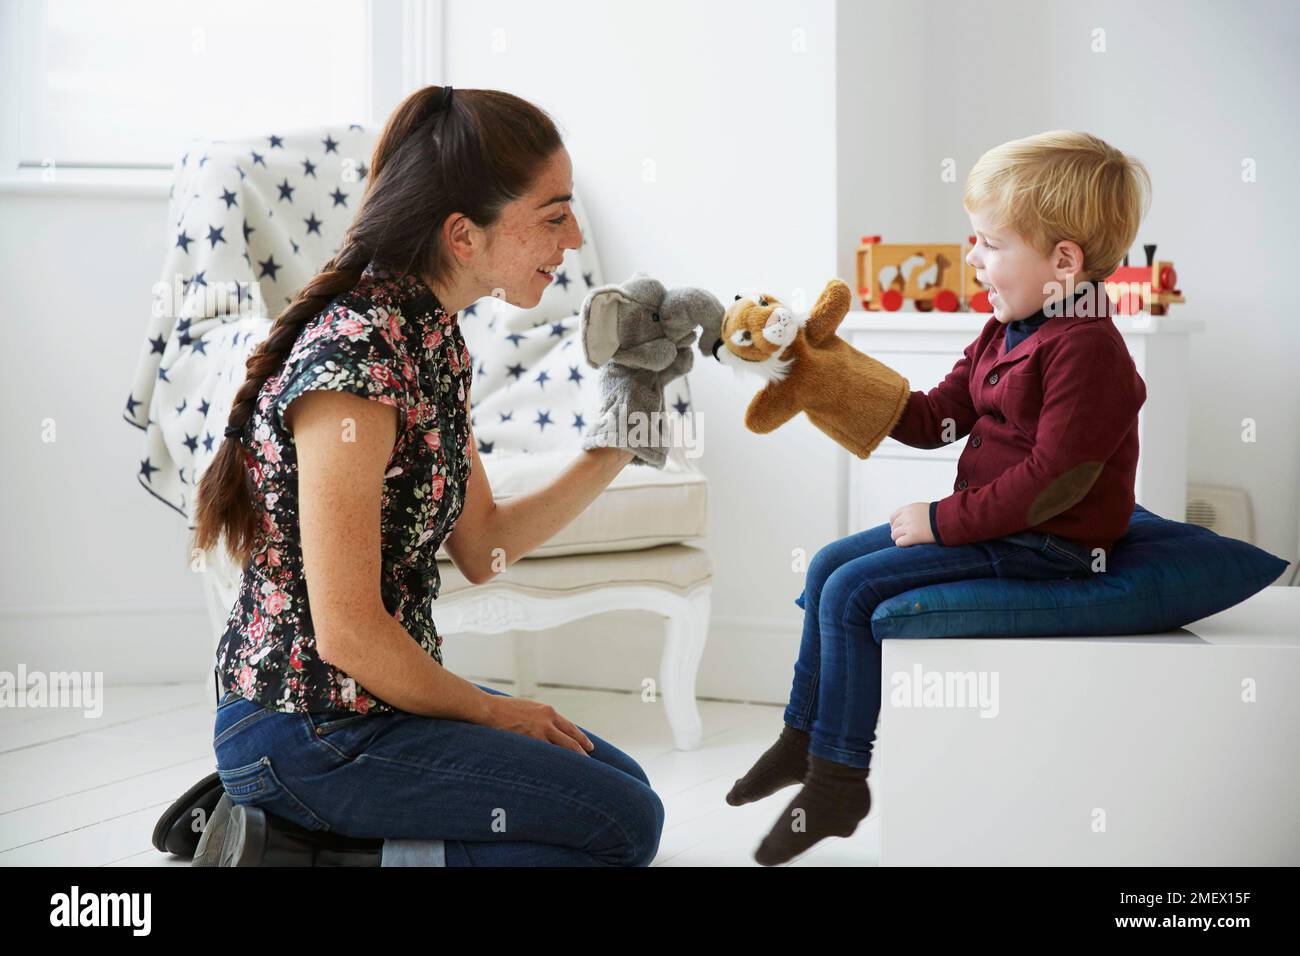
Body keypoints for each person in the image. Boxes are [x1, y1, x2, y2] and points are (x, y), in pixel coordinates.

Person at [186, 85, 664, 866]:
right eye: (553, 214)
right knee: (619, 826)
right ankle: (298, 851)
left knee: (626, 790)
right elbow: (345, 631)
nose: (574, 237)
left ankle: (309, 833)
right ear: (463, 235)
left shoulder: (430, 337)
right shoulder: (355, 364)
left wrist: (620, 441)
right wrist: (488, 712)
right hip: (306, 726)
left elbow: (486, 544)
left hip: (376, 703)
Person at [727, 130, 1151, 866]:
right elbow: (934, 420)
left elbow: (1057, 478)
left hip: (1049, 544)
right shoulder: (1006, 327)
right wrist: (826, 376)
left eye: (989, 244)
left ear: (1064, 261)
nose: (973, 259)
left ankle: (838, 777)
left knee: (856, 590)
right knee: (830, 563)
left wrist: (941, 522)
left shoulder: (1087, 348)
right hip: (1001, 527)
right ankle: (802, 738)